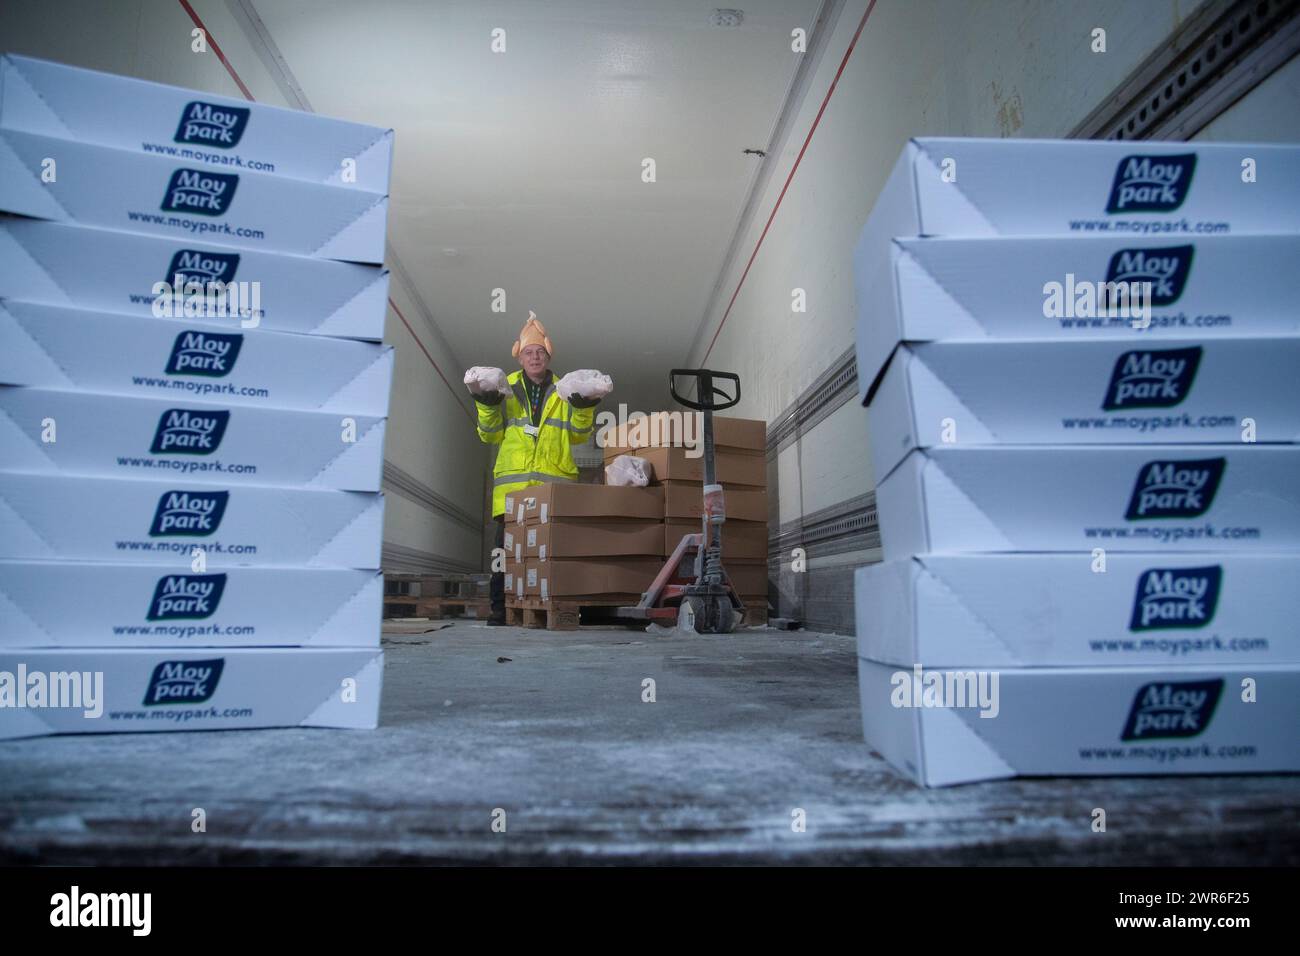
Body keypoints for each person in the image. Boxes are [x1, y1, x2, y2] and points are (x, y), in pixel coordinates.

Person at [465, 313, 612, 625]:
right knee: (504, 555)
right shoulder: (503, 387)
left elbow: (577, 434)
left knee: (553, 553)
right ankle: (500, 609)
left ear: (548, 355)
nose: (534, 358)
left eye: (540, 353)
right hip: (512, 489)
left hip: (553, 486)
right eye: (528, 353)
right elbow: (489, 435)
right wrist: (487, 406)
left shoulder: (565, 389)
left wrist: (584, 410)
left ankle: (555, 606)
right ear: (519, 355)